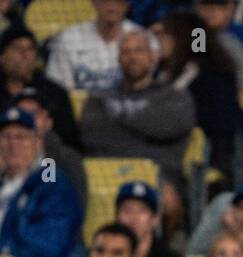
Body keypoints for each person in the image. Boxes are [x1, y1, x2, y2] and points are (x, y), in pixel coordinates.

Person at [79, 29, 195, 202]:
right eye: (126, 52)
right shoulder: (99, 97)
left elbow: (166, 128)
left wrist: (119, 116)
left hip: (157, 175)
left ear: (153, 57)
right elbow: (90, 135)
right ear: (118, 59)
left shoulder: (175, 96)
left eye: (139, 51)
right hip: (105, 175)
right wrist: (144, 134)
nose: (132, 57)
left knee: (169, 201)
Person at [152, 8, 243, 178]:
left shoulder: (213, 79)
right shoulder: (159, 73)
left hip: (202, 156)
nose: (159, 41)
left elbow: (218, 126)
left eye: (165, 36)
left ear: (182, 39)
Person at [0, 107, 82, 257]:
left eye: (21, 137)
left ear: (37, 143)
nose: (12, 145)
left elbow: (48, 245)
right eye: (6, 137)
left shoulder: (51, 184)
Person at [0, 25, 79, 151]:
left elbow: (69, 142)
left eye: (30, 49)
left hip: (46, 160)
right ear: (2, 56)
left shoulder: (54, 94)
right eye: (17, 48)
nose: (25, 55)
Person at [44, 0, 142, 94]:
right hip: (81, 109)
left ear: (127, 4)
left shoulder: (142, 39)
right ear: (94, 2)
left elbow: (149, 90)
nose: (112, 6)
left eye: (118, 0)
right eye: (105, 1)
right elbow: (57, 89)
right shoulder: (69, 38)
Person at [115, 181, 189, 257]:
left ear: (155, 219)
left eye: (142, 211)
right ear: (116, 217)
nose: (134, 218)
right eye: (127, 210)